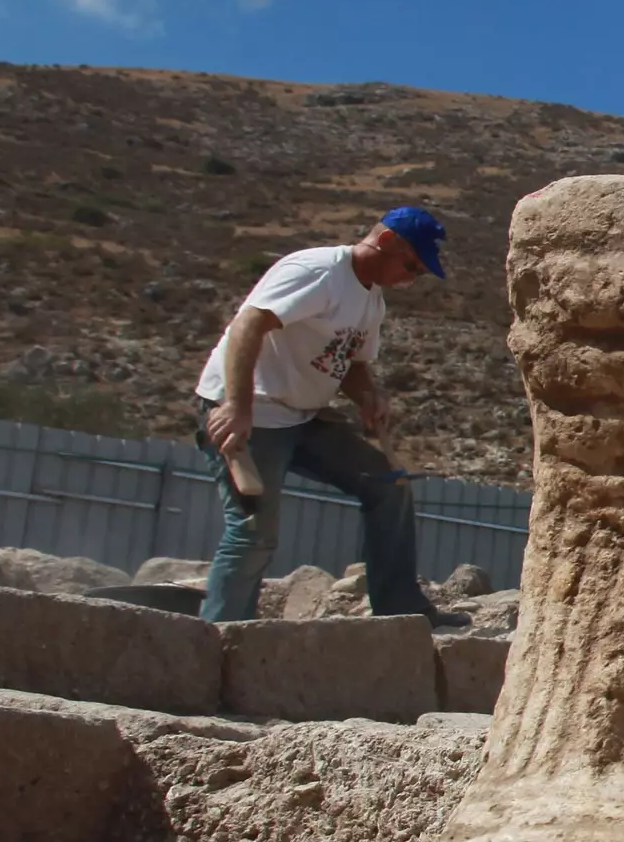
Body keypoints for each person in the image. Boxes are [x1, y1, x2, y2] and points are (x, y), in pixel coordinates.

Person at [191, 206, 461, 625]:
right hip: (252, 413)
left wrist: (369, 396)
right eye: (411, 265)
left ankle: (401, 610)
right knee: (253, 531)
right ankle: (220, 636)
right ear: (386, 241)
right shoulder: (318, 272)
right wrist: (237, 406)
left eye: (420, 273)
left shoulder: (371, 298)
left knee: (389, 486)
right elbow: (249, 325)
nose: (411, 279)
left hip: (302, 417)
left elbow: (351, 362)